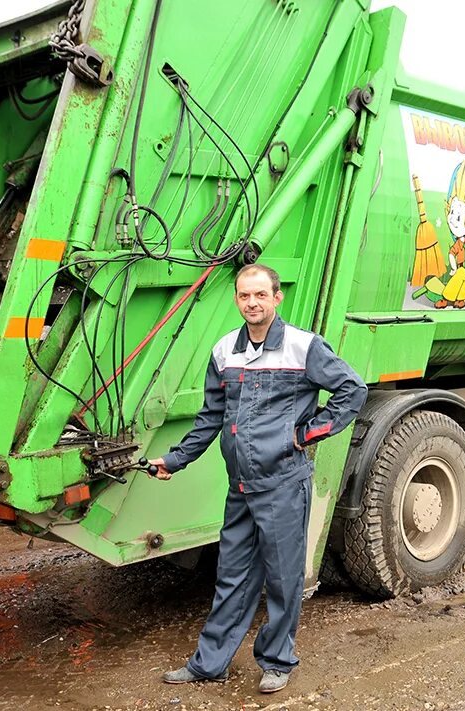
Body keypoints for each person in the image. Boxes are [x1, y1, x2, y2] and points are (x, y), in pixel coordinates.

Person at [149, 263, 367, 694]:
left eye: (260, 295)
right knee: (231, 575)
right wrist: (175, 460)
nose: (252, 303)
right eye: (244, 295)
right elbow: (211, 417)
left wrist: (306, 434)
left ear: (276, 297)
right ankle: (210, 663)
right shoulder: (224, 351)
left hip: (284, 483)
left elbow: (352, 391)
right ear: (236, 298)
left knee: (283, 578)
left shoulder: (304, 347)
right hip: (241, 486)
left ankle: (277, 661)